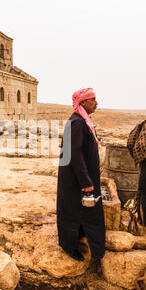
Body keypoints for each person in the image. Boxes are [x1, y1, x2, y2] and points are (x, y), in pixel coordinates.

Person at [57, 88, 105, 262]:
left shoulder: (83, 121)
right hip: (75, 179)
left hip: (80, 176)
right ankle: (69, 247)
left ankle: (81, 238)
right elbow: (74, 153)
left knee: (82, 211)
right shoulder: (77, 123)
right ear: (83, 103)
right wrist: (85, 181)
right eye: (93, 99)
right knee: (72, 211)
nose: (96, 102)